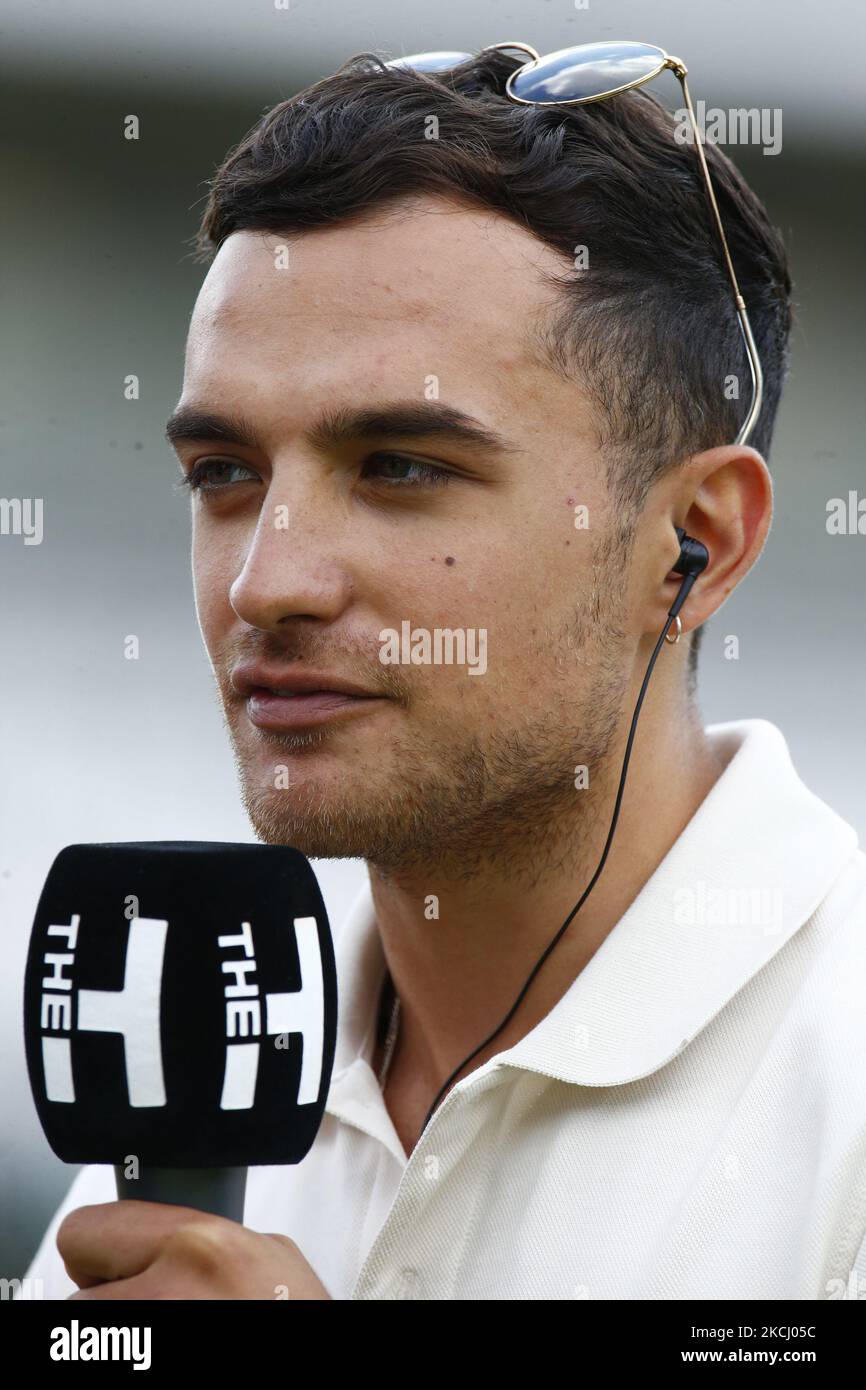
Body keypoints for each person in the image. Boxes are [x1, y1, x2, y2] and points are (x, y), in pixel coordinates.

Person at [21, 44, 866, 1300]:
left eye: (401, 467)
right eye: (224, 473)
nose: (266, 581)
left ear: (695, 543)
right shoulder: (196, 1090)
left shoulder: (836, 1091)